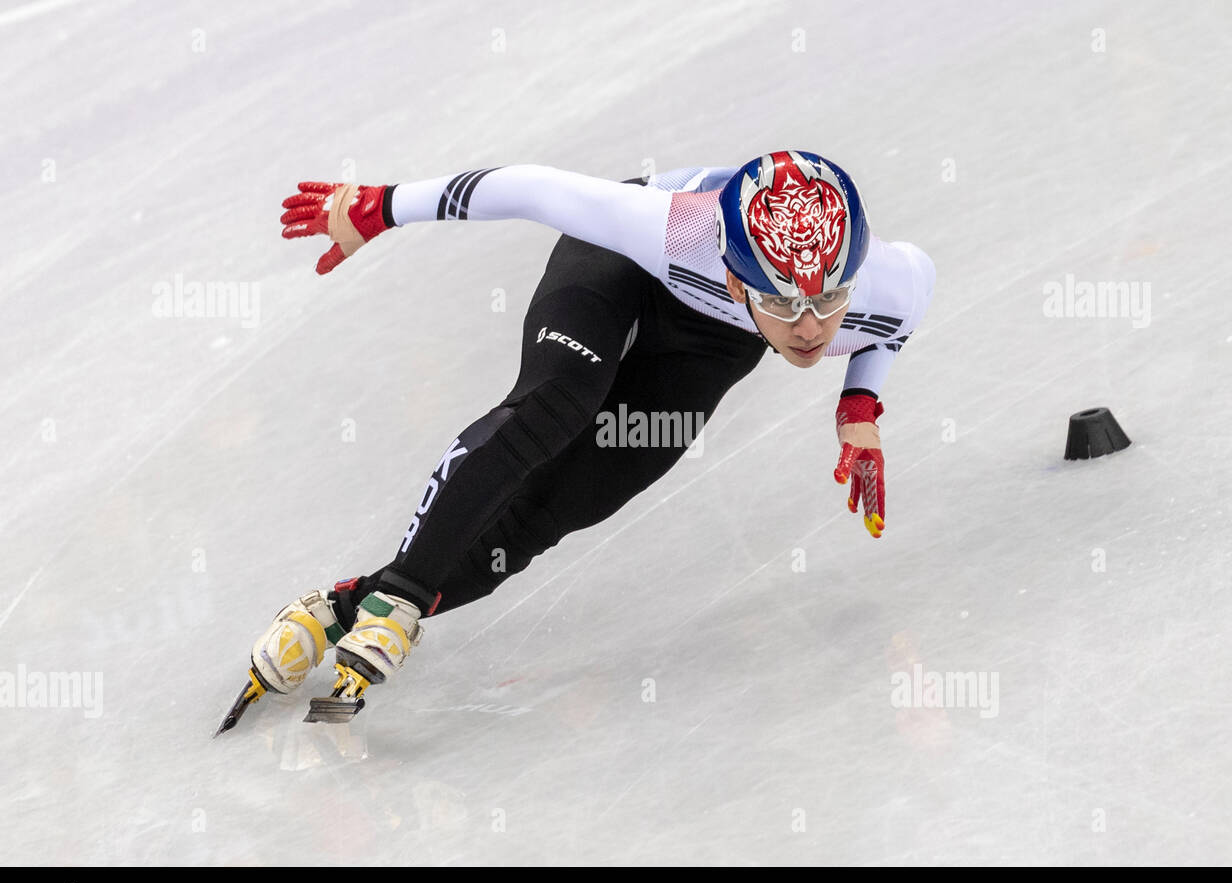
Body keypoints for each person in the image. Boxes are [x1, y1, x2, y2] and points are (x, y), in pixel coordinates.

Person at [215, 150, 936, 733]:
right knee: (556, 405)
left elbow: (894, 323)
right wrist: (379, 208)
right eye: (782, 302)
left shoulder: (880, 283)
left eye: (828, 299)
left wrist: (859, 406)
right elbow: (527, 188)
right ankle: (401, 596)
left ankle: (341, 607)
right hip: (616, 274)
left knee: (554, 511)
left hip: (709, 345)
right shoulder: (664, 225)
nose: (810, 327)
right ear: (731, 269)